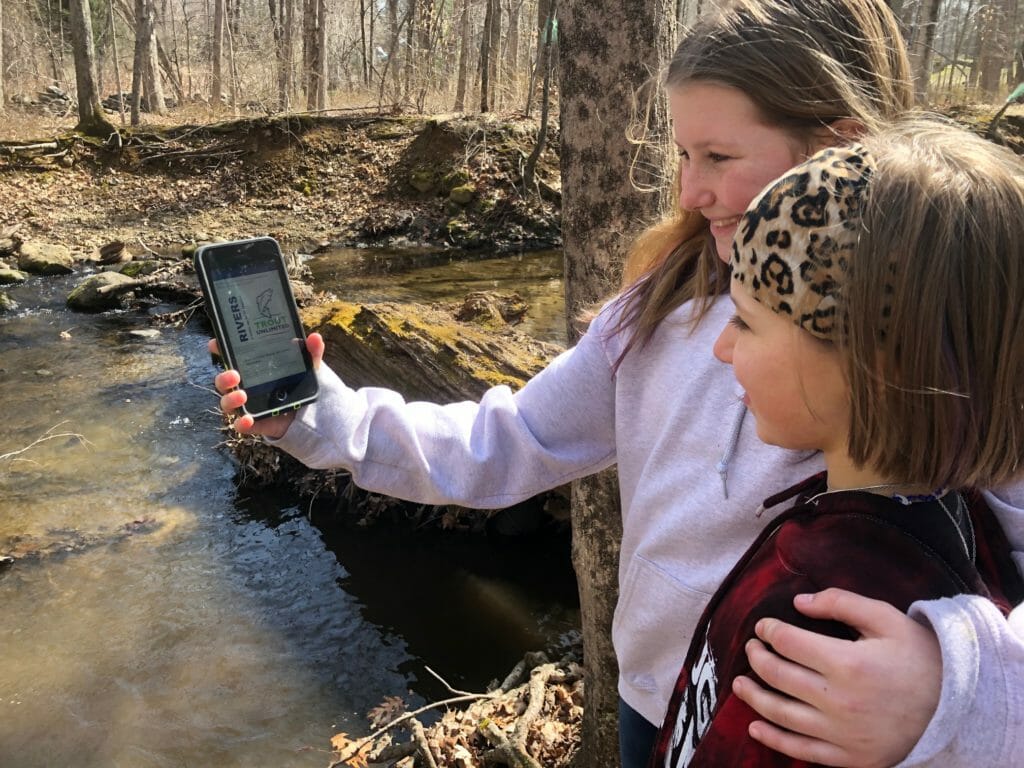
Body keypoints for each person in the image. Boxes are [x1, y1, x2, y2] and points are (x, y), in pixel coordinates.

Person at [211, 1, 1024, 765]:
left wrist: (954, 687)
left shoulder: (934, 342)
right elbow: (511, 440)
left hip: (849, 729)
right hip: (655, 699)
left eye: (719, 157)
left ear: (833, 152)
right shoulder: (657, 308)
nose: (689, 191)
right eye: (681, 153)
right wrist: (324, 417)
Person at [648, 120, 1024, 767]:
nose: (722, 347)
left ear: (873, 364)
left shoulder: (825, 619)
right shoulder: (951, 524)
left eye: (747, 320)